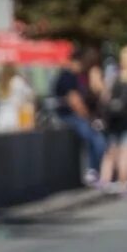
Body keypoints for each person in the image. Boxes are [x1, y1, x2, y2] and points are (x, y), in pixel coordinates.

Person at [52, 51, 106, 182]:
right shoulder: (68, 77)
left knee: (94, 136)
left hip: (73, 116)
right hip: (69, 116)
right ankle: (92, 170)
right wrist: (89, 118)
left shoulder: (74, 76)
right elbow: (75, 102)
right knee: (94, 137)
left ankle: (94, 170)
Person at [99, 46, 127, 196]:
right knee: (126, 152)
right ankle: (124, 185)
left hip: (113, 119)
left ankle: (104, 182)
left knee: (111, 151)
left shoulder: (112, 75)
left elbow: (104, 97)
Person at [0, 63, 33, 132]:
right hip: (15, 114)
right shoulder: (17, 80)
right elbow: (29, 94)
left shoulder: (3, 82)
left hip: (2, 115)